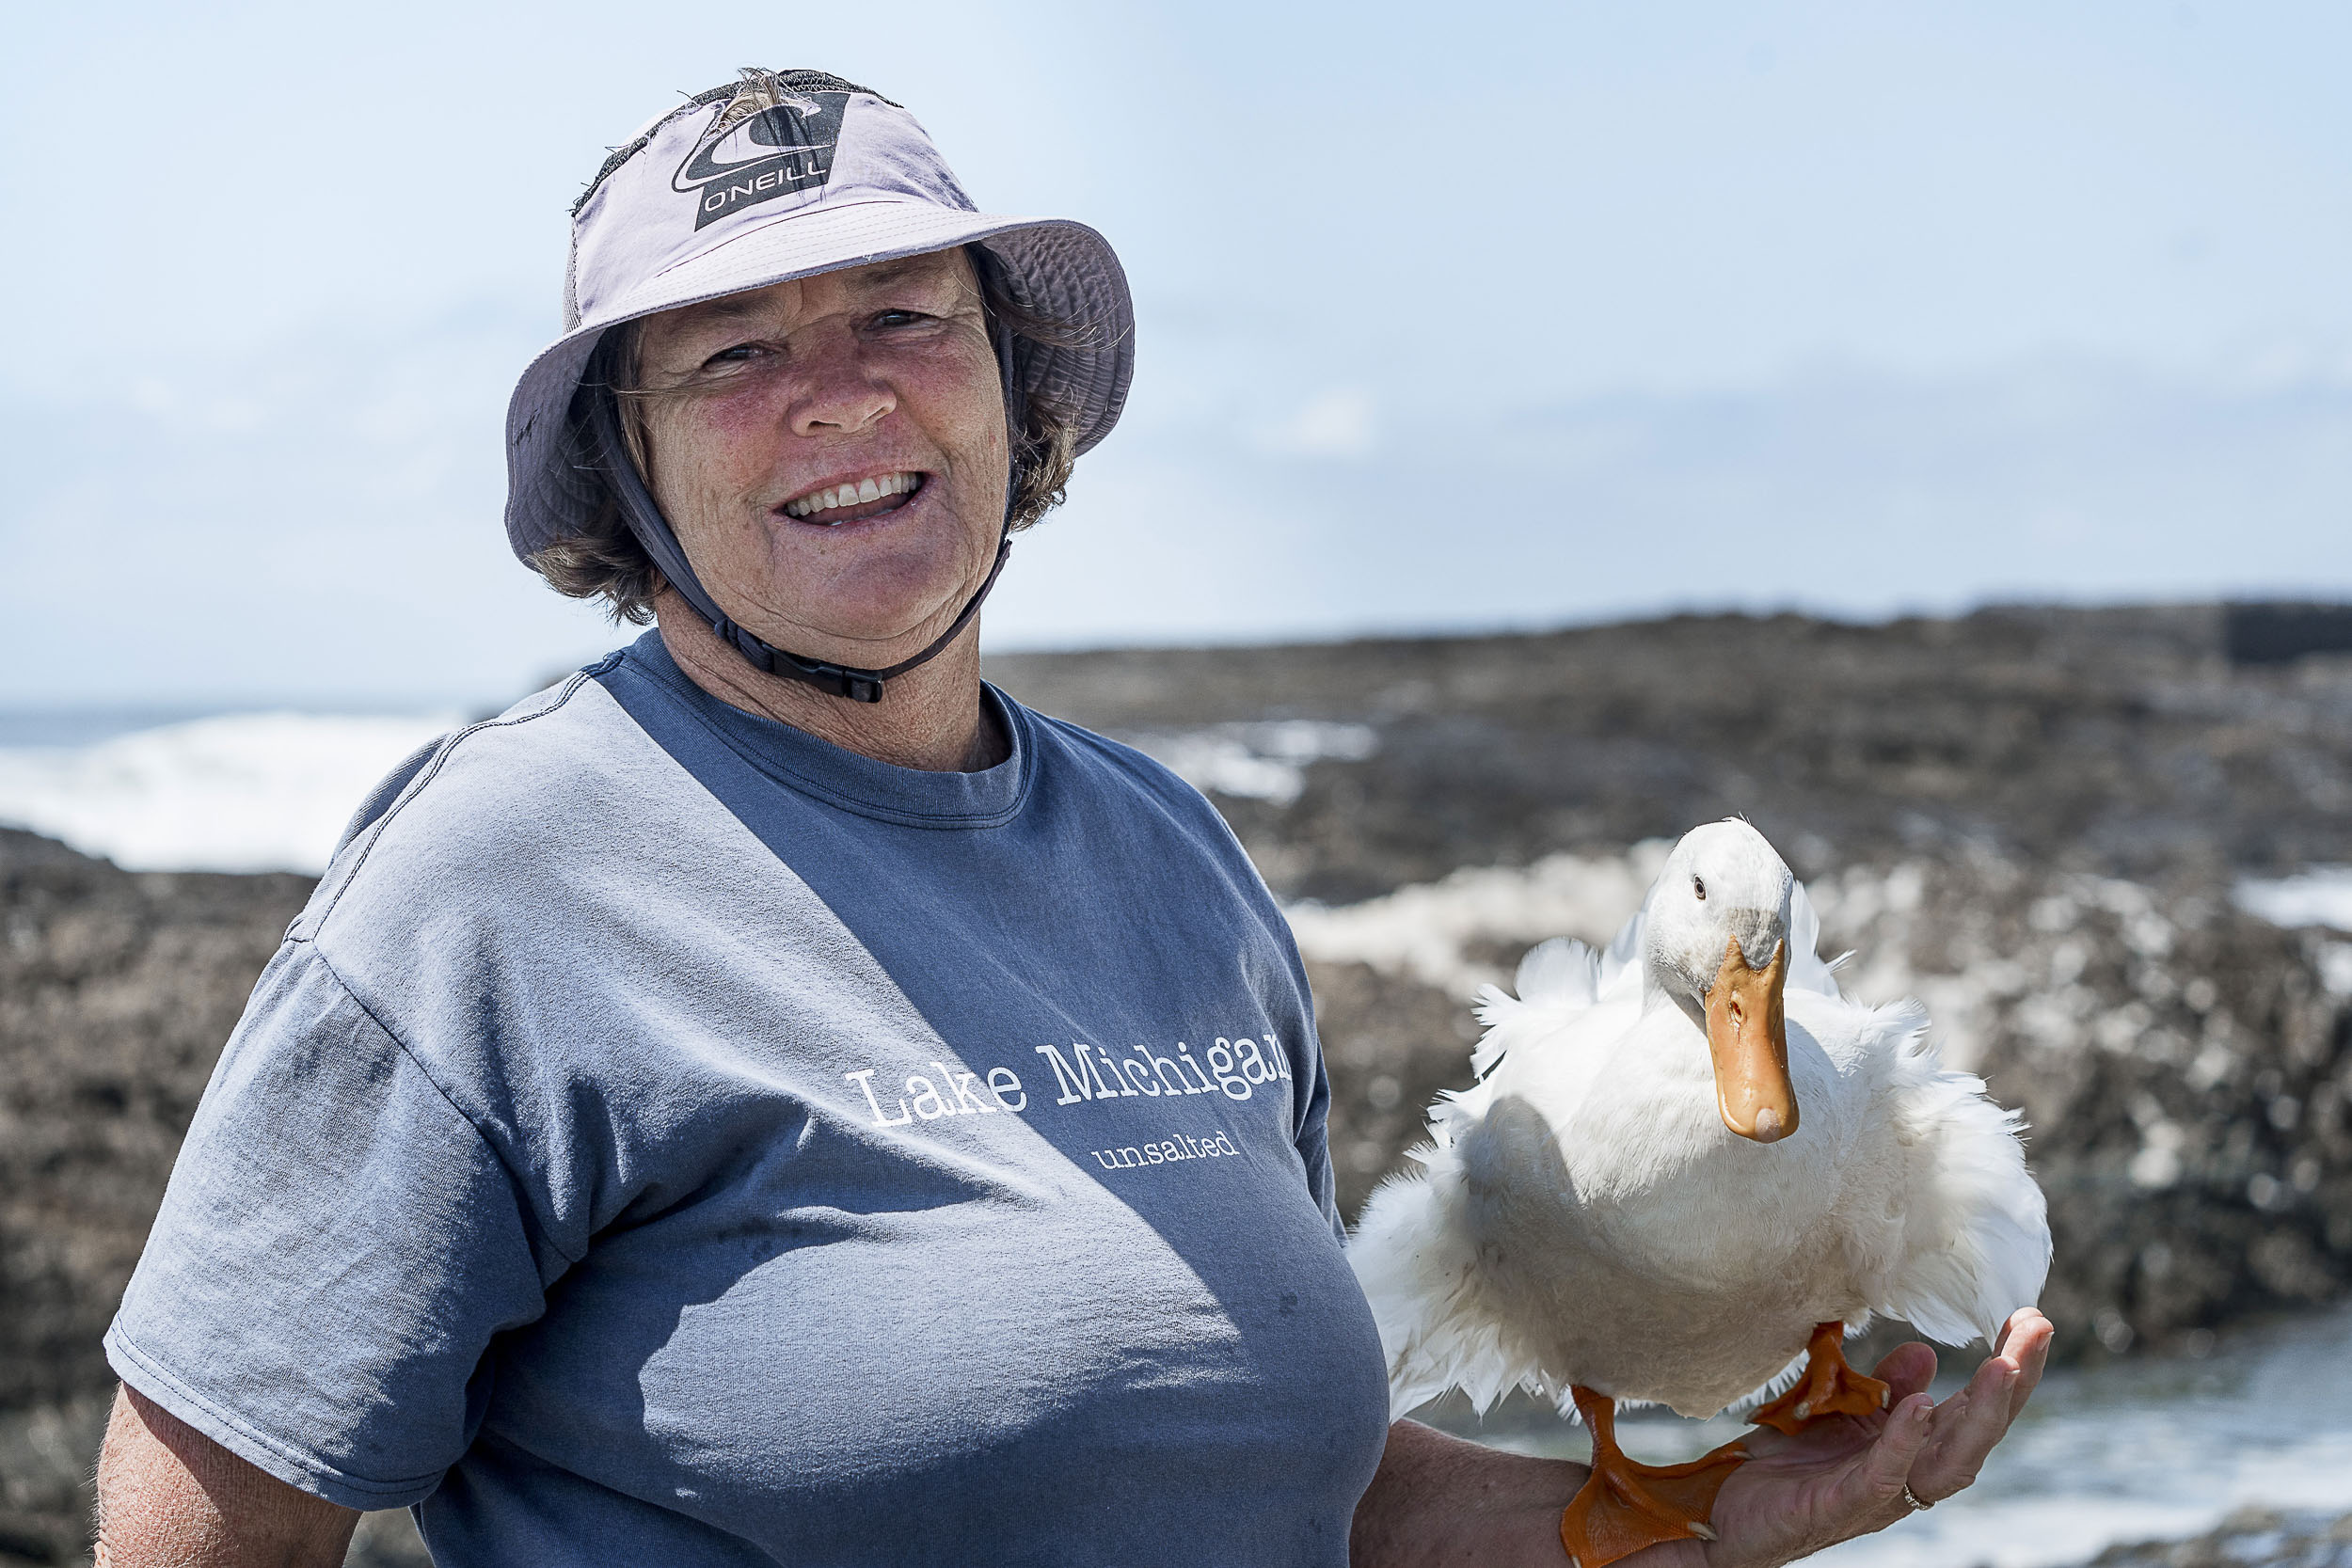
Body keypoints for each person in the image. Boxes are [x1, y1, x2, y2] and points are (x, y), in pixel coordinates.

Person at [92, 68, 2052, 1567]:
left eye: (903, 320)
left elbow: (1315, 1493)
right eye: (737, 354)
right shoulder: (496, 881)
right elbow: (205, 1520)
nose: (840, 399)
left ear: (1011, 391)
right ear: (627, 460)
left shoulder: (1166, 858)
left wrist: (1701, 1514)